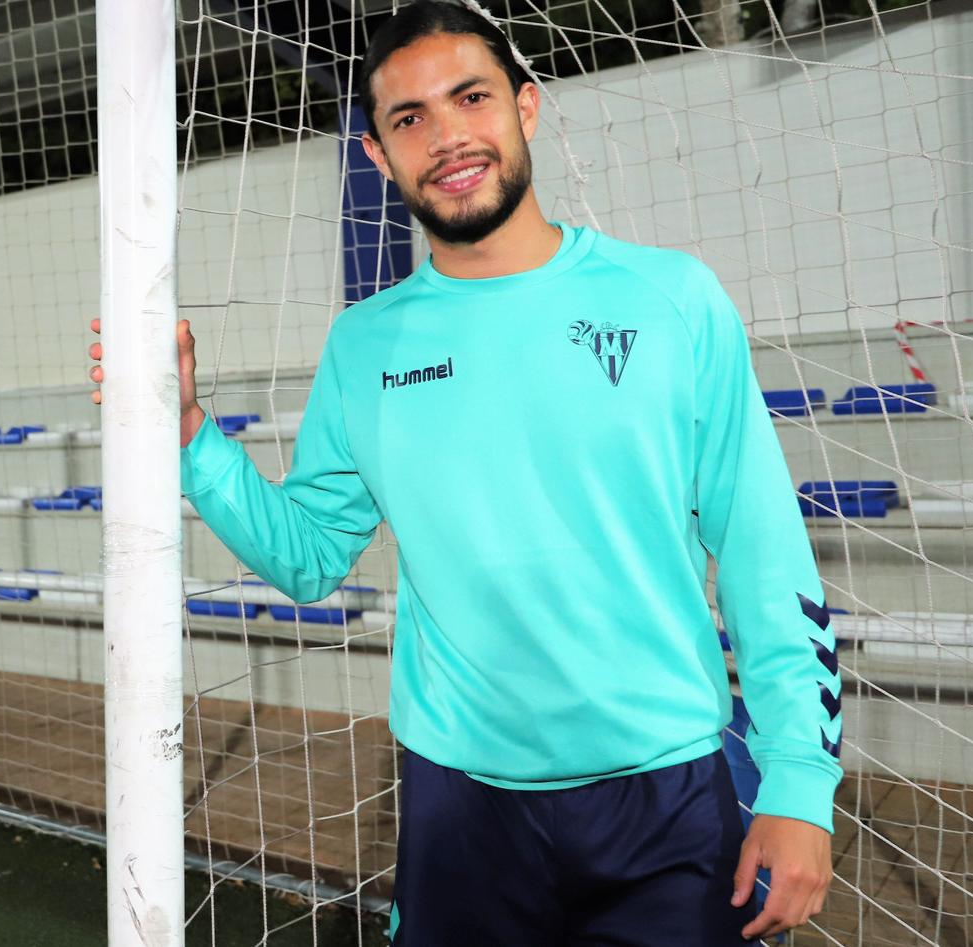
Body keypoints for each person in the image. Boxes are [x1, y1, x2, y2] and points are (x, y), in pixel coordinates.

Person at [88, 2, 838, 943]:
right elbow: (313, 555)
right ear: (379, 156)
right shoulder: (364, 345)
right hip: (460, 808)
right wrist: (190, 432)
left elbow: (764, 550)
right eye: (410, 119)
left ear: (526, 107)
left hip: (669, 797)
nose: (446, 137)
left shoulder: (672, 299)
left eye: (470, 98)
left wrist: (801, 784)